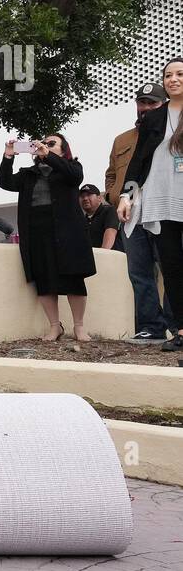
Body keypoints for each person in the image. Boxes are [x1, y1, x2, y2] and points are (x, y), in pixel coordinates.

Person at [0, 133, 96, 341]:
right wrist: (8, 157)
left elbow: (75, 178)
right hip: (37, 233)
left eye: (52, 144)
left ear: (63, 149)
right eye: (43, 143)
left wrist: (49, 156)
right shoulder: (29, 174)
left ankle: (79, 327)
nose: (45, 145)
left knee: (74, 278)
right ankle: (55, 327)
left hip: (67, 233)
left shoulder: (71, 168)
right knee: (44, 279)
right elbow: (5, 182)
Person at [118, 57, 183, 352]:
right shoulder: (154, 119)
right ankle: (180, 330)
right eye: (168, 75)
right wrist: (125, 195)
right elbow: (138, 162)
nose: (173, 79)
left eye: (180, 74)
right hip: (162, 202)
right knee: (171, 267)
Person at [105, 81, 174, 342]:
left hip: (163, 211)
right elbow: (111, 174)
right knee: (139, 272)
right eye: (142, 102)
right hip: (131, 215)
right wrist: (115, 196)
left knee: (171, 268)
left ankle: (175, 324)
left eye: (152, 103)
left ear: (163, 104)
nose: (146, 108)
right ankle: (150, 326)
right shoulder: (122, 139)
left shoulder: (173, 132)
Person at [79, 183, 121, 251]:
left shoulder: (109, 211)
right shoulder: (82, 220)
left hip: (110, 258)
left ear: (99, 198)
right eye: (82, 196)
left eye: (89, 195)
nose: (85, 198)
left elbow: (111, 231)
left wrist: (103, 253)